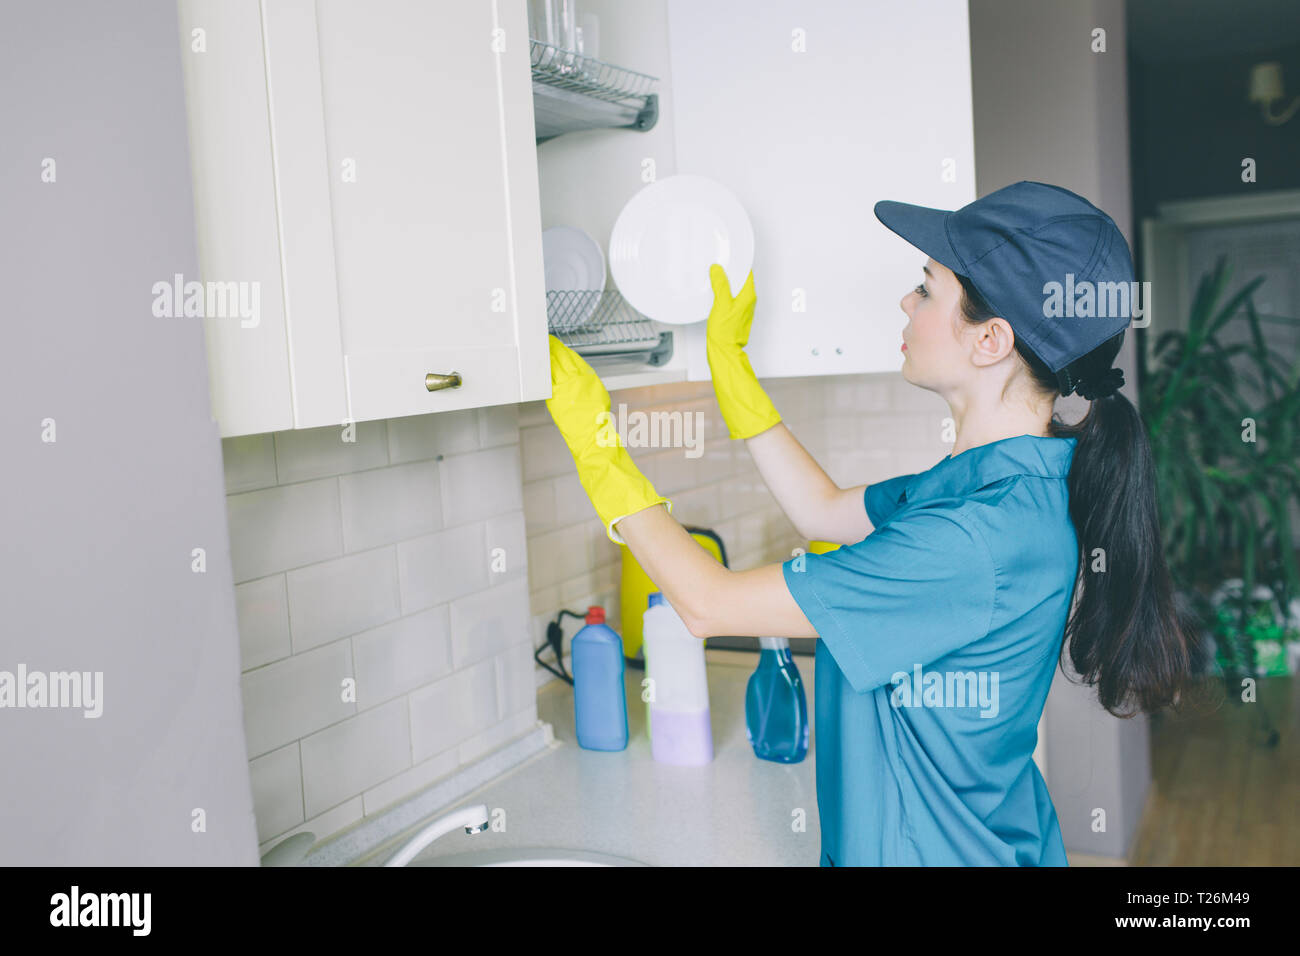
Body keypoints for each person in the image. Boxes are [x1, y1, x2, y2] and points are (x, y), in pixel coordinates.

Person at [544, 180, 1201, 866]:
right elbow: (823, 510)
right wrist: (733, 377)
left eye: (927, 288)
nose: (905, 302)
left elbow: (707, 604)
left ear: (990, 339)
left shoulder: (973, 536)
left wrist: (600, 451)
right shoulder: (1011, 480)